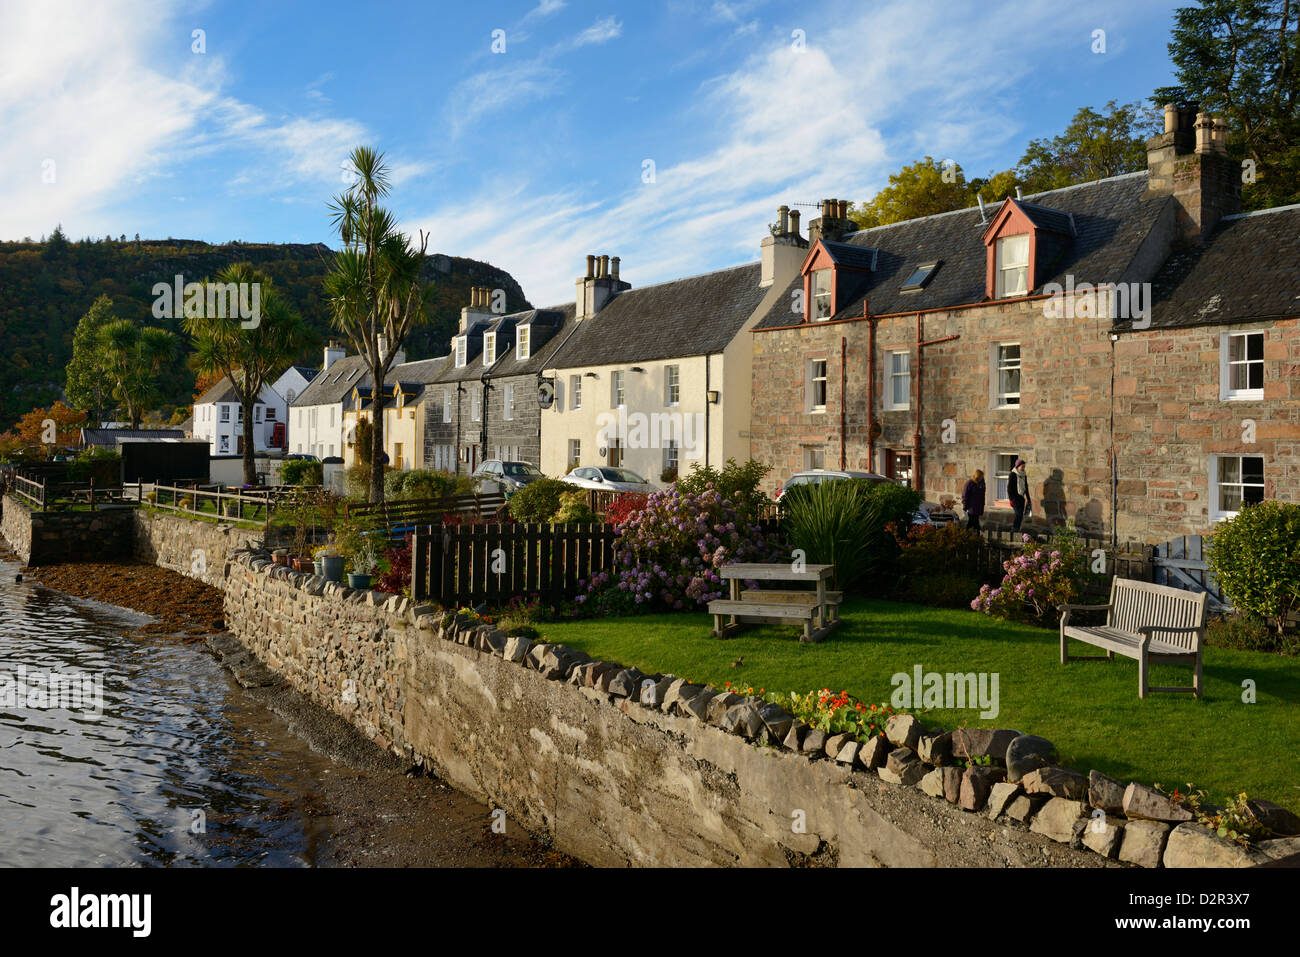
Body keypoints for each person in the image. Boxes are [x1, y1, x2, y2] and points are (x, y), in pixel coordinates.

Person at [1009, 458, 1031, 532]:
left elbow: (1026, 487)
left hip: (1021, 497)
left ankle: (1017, 529)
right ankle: (1014, 529)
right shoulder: (1013, 474)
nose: (1023, 468)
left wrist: (1028, 498)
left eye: (1024, 467)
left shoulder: (1024, 475)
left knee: (1021, 515)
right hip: (1015, 498)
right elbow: (1009, 488)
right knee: (1018, 514)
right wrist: (1011, 499)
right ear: (1018, 466)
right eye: (1022, 466)